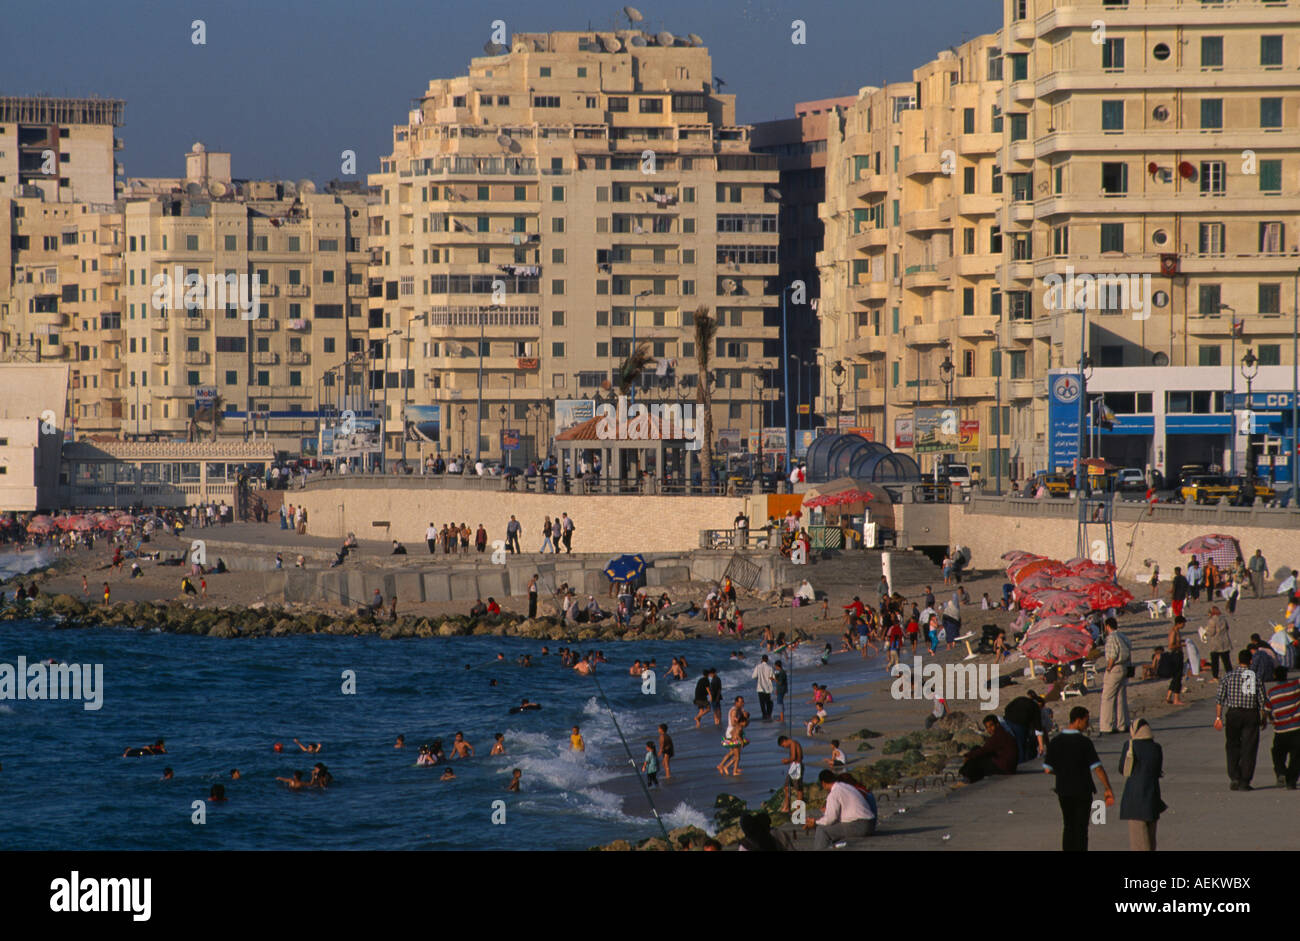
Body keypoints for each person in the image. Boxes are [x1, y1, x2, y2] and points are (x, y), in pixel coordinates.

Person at [1043, 706, 1115, 851]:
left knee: (1068, 825)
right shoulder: (1084, 742)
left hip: (1063, 789)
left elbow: (1047, 769)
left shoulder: (1055, 742)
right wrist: (1107, 788)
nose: (1087, 724)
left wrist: (1064, 773)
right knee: (1081, 828)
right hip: (1083, 789)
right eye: (1086, 721)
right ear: (1078, 720)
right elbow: (1097, 768)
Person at [1214, 650, 1269, 790]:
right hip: (1251, 714)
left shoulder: (1228, 676)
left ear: (1238, 660)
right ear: (1250, 661)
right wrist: (1264, 718)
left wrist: (1218, 717)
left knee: (1232, 745)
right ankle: (1245, 780)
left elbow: (1220, 699)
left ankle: (1234, 777)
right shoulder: (1254, 677)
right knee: (1249, 748)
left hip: (1234, 714)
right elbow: (1262, 701)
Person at [1118, 719, 1167, 851]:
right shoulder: (1156, 748)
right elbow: (1157, 770)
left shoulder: (1130, 746)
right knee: (1151, 842)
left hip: (1135, 800)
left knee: (1139, 843)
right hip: (1152, 798)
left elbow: (1122, 769)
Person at [805, 769, 875, 849]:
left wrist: (815, 822)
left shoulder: (834, 793)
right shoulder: (845, 786)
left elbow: (830, 819)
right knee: (831, 828)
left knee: (822, 830)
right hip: (870, 823)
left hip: (860, 825)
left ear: (823, 783)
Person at [1266, 666, 1300, 789]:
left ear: (1275, 676)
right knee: (1296, 757)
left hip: (1280, 729)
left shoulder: (1272, 692)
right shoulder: (1295, 687)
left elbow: (1267, 710)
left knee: (1277, 754)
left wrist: (1270, 720)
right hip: (1296, 728)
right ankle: (1291, 781)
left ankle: (1281, 772)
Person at [959, 714, 1019, 783]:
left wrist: (968, 756)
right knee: (976, 750)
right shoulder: (1002, 733)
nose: (989, 729)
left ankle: (967, 779)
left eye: (991, 726)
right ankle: (968, 776)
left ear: (997, 725)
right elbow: (987, 749)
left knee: (977, 760)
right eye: (987, 727)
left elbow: (984, 750)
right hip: (1008, 766)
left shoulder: (999, 735)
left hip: (1005, 767)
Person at [1100, 617, 1131, 734]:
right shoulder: (1122, 636)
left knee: (1107, 697)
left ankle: (1106, 726)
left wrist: (1108, 668)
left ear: (1107, 626)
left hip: (1115, 667)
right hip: (1124, 666)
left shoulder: (1111, 637)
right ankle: (1122, 724)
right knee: (1120, 697)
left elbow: (1113, 654)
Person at [1003, 690, 1047, 763]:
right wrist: (1041, 746)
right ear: (1040, 705)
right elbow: (1038, 729)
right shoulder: (1036, 708)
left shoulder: (1020, 699)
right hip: (1020, 725)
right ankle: (1021, 764)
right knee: (1021, 746)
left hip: (1007, 721)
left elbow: (1007, 708)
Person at [1202, 606, 1232, 680]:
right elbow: (1227, 628)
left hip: (1216, 643)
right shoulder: (1223, 619)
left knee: (1215, 661)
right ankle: (1230, 675)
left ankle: (1215, 677)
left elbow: (1211, 633)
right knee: (1226, 661)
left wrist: (1205, 632)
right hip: (1225, 642)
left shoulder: (1212, 621)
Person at [777, 735, 804, 812]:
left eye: (783, 745)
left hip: (797, 767)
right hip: (793, 767)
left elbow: (794, 757)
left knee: (798, 788)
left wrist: (787, 761)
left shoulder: (793, 743)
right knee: (786, 786)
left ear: (784, 741)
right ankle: (787, 806)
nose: (784, 747)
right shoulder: (793, 744)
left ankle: (799, 807)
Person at [751, 654, 775, 721]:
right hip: (768, 687)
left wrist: (759, 677)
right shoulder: (770, 668)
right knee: (768, 702)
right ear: (767, 660)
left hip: (760, 687)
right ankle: (768, 714)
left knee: (762, 703)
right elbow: (772, 677)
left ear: (762, 659)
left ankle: (764, 715)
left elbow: (753, 676)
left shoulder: (758, 667)